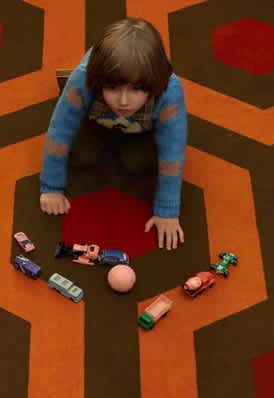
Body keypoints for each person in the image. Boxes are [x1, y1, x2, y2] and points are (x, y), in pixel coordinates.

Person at [39, 18, 187, 250]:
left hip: (142, 129)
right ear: (98, 82)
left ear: (153, 83)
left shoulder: (170, 92)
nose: (124, 101)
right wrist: (51, 188)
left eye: (136, 89)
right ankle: (74, 96)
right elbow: (59, 131)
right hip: (96, 121)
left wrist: (167, 211)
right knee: (81, 157)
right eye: (113, 88)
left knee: (138, 164)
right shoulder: (82, 79)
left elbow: (173, 152)